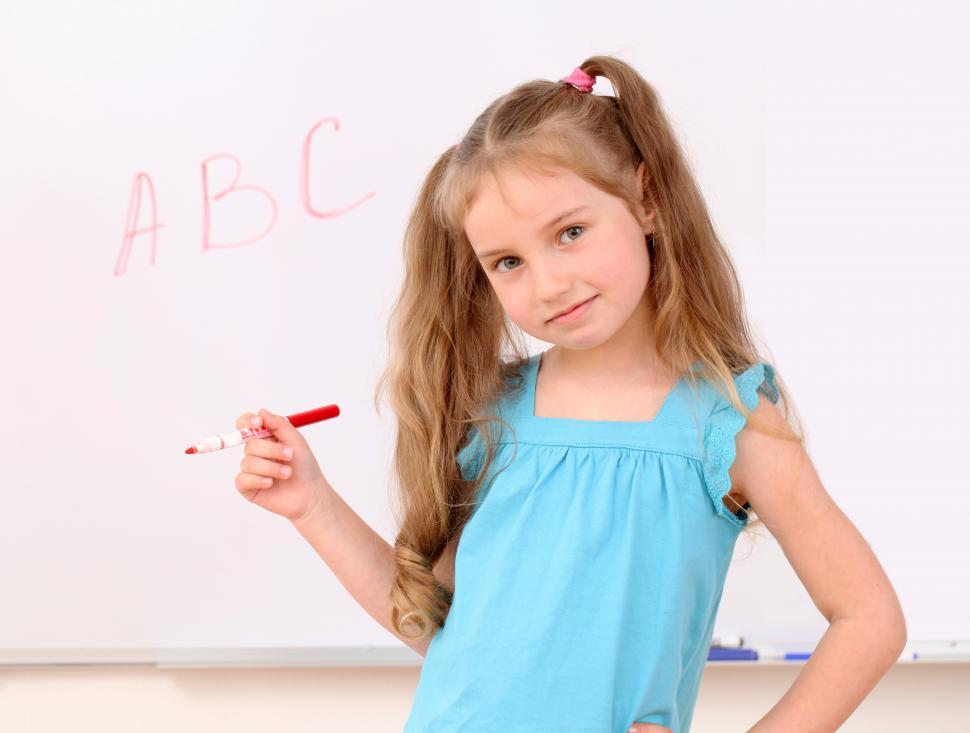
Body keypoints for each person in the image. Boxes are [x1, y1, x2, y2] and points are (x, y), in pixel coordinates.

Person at [232, 55, 907, 733]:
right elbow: (444, 632)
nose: (549, 283)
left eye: (571, 233)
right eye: (509, 262)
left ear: (646, 200)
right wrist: (311, 503)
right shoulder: (492, 415)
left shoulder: (726, 421)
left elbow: (870, 618)